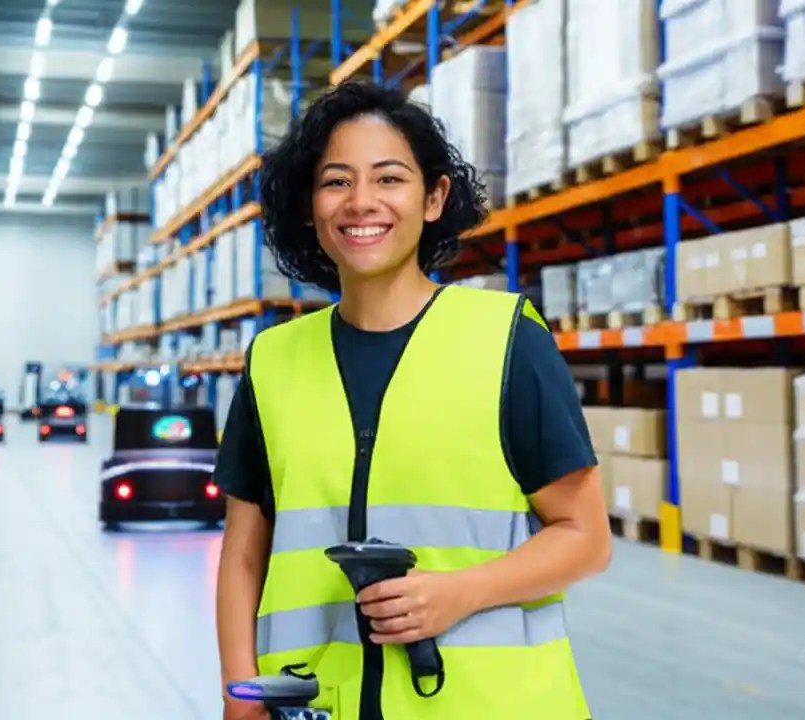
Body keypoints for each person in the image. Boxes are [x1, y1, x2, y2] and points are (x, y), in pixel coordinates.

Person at [213, 81, 611, 720]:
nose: (361, 202)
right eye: (336, 181)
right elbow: (243, 552)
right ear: (309, 205)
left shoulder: (506, 338)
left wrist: (462, 592)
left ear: (434, 198)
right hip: (320, 704)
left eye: (389, 179)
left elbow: (586, 537)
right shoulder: (273, 362)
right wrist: (241, 693)